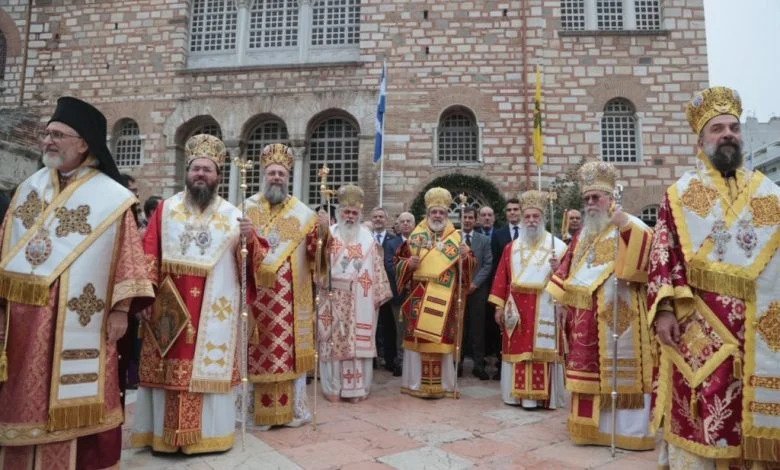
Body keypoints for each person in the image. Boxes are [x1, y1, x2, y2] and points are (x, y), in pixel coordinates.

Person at [0, 96, 154, 469]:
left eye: (58, 134)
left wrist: (120, 310)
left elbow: (129, 259)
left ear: (83, 143)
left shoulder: (112, 198)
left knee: (70, 401)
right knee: (20, 396)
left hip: (81, 319)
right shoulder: (29, 188)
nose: (48, 140)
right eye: (47, 133)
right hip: (21, 320)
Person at [647, 86, 780, 468]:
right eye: (718, 128)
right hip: (700, 327)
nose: (727, 135)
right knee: (702, 417)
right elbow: (663, 256)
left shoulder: (769, 194)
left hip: (758, 332)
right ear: (701, 141)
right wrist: (665, 311)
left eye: (734, 128)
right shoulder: (680, 195)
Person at [132, 134, 267, 454]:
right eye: (196, 169)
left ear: (218, 176)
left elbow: (253, 265)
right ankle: (162, 437)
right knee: (167, 370)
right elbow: (148, 252)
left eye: (207, 169)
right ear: (187, 173)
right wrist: (144, 298)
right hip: (169, 307)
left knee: (206, 371)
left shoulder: (234, 215)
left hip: (212, 311)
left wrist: (250, 241)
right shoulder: (166, 210)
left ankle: (210, 437)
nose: (201, 174)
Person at [546, 160, 655, 450]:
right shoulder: (583, 234)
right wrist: (560, 301)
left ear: (611, 198)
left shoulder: (628, 224)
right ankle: (591, 430)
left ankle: (629, 433)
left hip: (622, 313)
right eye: (587, 199)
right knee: (588, 373)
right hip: (585, 320)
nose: (592, 203)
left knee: (623, 372)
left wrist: (625, 225)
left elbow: (649, 252)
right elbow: (568, 268)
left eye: (597, 197)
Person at [242, 143, 328, 430]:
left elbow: (317, 256)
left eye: (281, 173)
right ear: (264, 176)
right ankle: (256, 413)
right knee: (255, 351)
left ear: (288, 177)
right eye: (272, 172)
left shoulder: (303, 214)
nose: (276, 177)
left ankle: (292, 411)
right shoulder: (246, 210)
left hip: (292, 300)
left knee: (288, 355)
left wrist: (324, 235)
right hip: (255, 298)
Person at [395, 187, 475, 398]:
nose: (437, 216)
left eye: (441, 212)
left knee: (440, 340)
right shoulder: (414, 238)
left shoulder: (457, 238)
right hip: (418, 296)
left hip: (445, 297)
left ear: (447, 215)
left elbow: (467, 273)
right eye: (434, 212)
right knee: (418, 341)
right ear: (428, 214)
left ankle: (445, 385)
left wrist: (466, 257)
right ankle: (415, 384)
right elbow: (398, 264)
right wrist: (408, 265)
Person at [489, 190, 566, 408]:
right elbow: (501, 278)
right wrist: (498, 307)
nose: (531, 221)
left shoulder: (558, 247)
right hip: (517, 308)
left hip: (545, 304)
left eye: (536, 217)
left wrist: (559, 269)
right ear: (522, 220)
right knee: (517, 350)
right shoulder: (510, 248)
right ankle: (516, 395)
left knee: (542, 351)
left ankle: (544, 399)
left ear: (543, 219)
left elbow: (569, 280)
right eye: (528, 217)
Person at [318, 186, 391, 402]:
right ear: (339, 213)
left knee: (357, 345)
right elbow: (317, 266)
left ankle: (356, 389)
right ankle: (333, 388)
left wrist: (378, 294)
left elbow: (376, 269)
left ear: (359, 215)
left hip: (360, 299)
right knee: (332, 342)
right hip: (332, 299)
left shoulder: (368, 238)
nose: (349, 217)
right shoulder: (328, 234)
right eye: (346, 212)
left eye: (354, 213)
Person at [460, 206, 493, 379]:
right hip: (458, 290)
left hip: (478, 290)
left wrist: (475, 283)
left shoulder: (484, 240)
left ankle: (478, 365)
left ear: (475, 220)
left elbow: (488, 264)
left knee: (478, 329)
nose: (467, 220)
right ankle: (457, 363)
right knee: (459, 328)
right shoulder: (453, 239)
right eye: (464, 217)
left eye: (470, 217)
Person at [371, 206, 398, 373]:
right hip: (369, 287)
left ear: (385, 220)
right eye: (375, 217)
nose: (378, 219)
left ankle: (389, 359)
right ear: (372, 219)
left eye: (381, 216)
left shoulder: (393, 240)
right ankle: (372, 359)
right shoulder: (365, 238)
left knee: (389, 325)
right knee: (371, 325)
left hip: (389, 288)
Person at [477, 205, 502, 377]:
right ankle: (481, 357)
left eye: (489, 215)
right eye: (483, 215)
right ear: (479, 218)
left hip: (497, 285)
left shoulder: (500, 235)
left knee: (496, 323)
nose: (486, 217)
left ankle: (497, 357)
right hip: (478, 288)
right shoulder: (475, 236)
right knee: (480, 323)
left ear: (494, 218)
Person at [389, 211, 415, 376]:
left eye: (409, 221)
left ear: (414, 224)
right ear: (398, 225)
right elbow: (389, 265)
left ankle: (414, 361)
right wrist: (406, 274)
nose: (405, 224)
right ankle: (400, 361)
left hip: (417, 293)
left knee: (414, 328)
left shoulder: (421, 242)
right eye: (402, 221)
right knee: (400, 329)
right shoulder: (392, 244)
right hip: (399, 293)